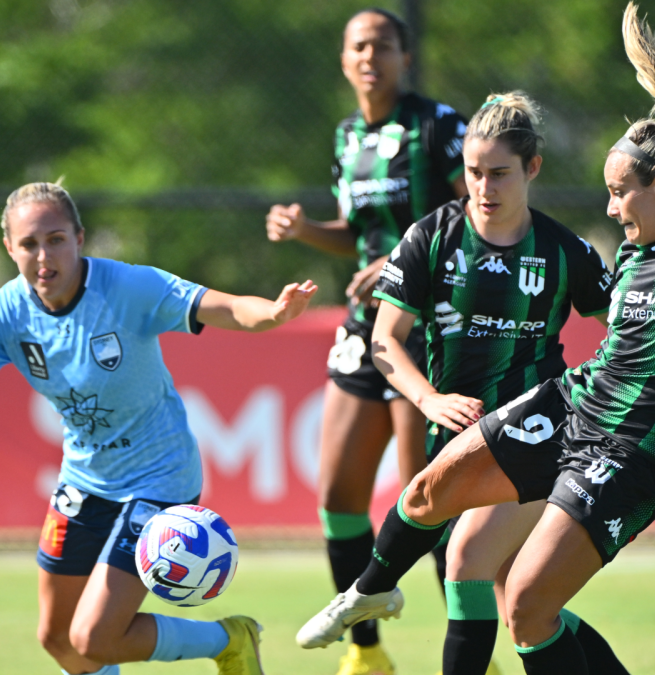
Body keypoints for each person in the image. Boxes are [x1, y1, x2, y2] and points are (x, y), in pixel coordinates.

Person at [295, 5, 655, 674]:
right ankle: (367, 594)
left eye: (619, 193)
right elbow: (639, 345)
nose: (610, 208)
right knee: (423, 496)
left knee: (524, 602)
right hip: (571, 404)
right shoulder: (626, 254)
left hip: (635, 448)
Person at [0, 182, 318, 675]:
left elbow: (221, 306)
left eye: (55, 239)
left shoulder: (127, 289)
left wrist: (272, 312)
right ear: (10, 249)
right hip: (84, 481)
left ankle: (228, 638)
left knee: (92, 636)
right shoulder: (4, 314)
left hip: (160, 477)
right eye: (29, 244)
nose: (43, 254)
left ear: (79, 238)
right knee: (58, 637)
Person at [361, 90, 629, 674]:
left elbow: (632, 339)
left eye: (500, 174)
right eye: (473, 173)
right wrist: (427, 398)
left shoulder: (565, 250)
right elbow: (383, 340)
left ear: (532, 169)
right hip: (461, 439)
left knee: (467, 562)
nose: (484, 188)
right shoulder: (432, 235)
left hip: (541, 441)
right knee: (522, 604)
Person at [265, 8, 467, 674]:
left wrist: (406, 259)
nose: (370, 55)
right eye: (358, 46)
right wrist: (304, 230)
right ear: (344, 59)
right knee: (338, 497)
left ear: (405, 57)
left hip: (425, 329)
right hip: (363, 329)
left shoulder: (438, 127)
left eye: (383, 44)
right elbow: (357, 231)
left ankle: (477, 653)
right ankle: (365, 651)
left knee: (424, 498)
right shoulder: (348, 135)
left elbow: (483, 209)